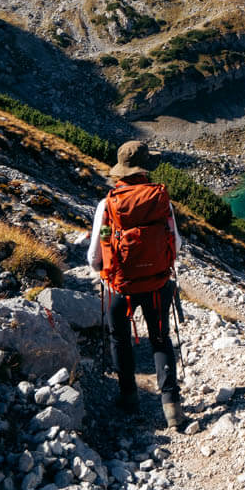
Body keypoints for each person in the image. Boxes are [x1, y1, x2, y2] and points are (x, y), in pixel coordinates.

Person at [87, 140, 185, 429]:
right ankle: (172, 407)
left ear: (121, 171)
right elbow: (175, 244)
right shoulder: (161, 200)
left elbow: (94, 256)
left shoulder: (108, 204)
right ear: (145, 169)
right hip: (157, 285)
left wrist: (102, 270)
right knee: (160, 338)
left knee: (119, 338)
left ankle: (128, 397)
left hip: (121, 286)